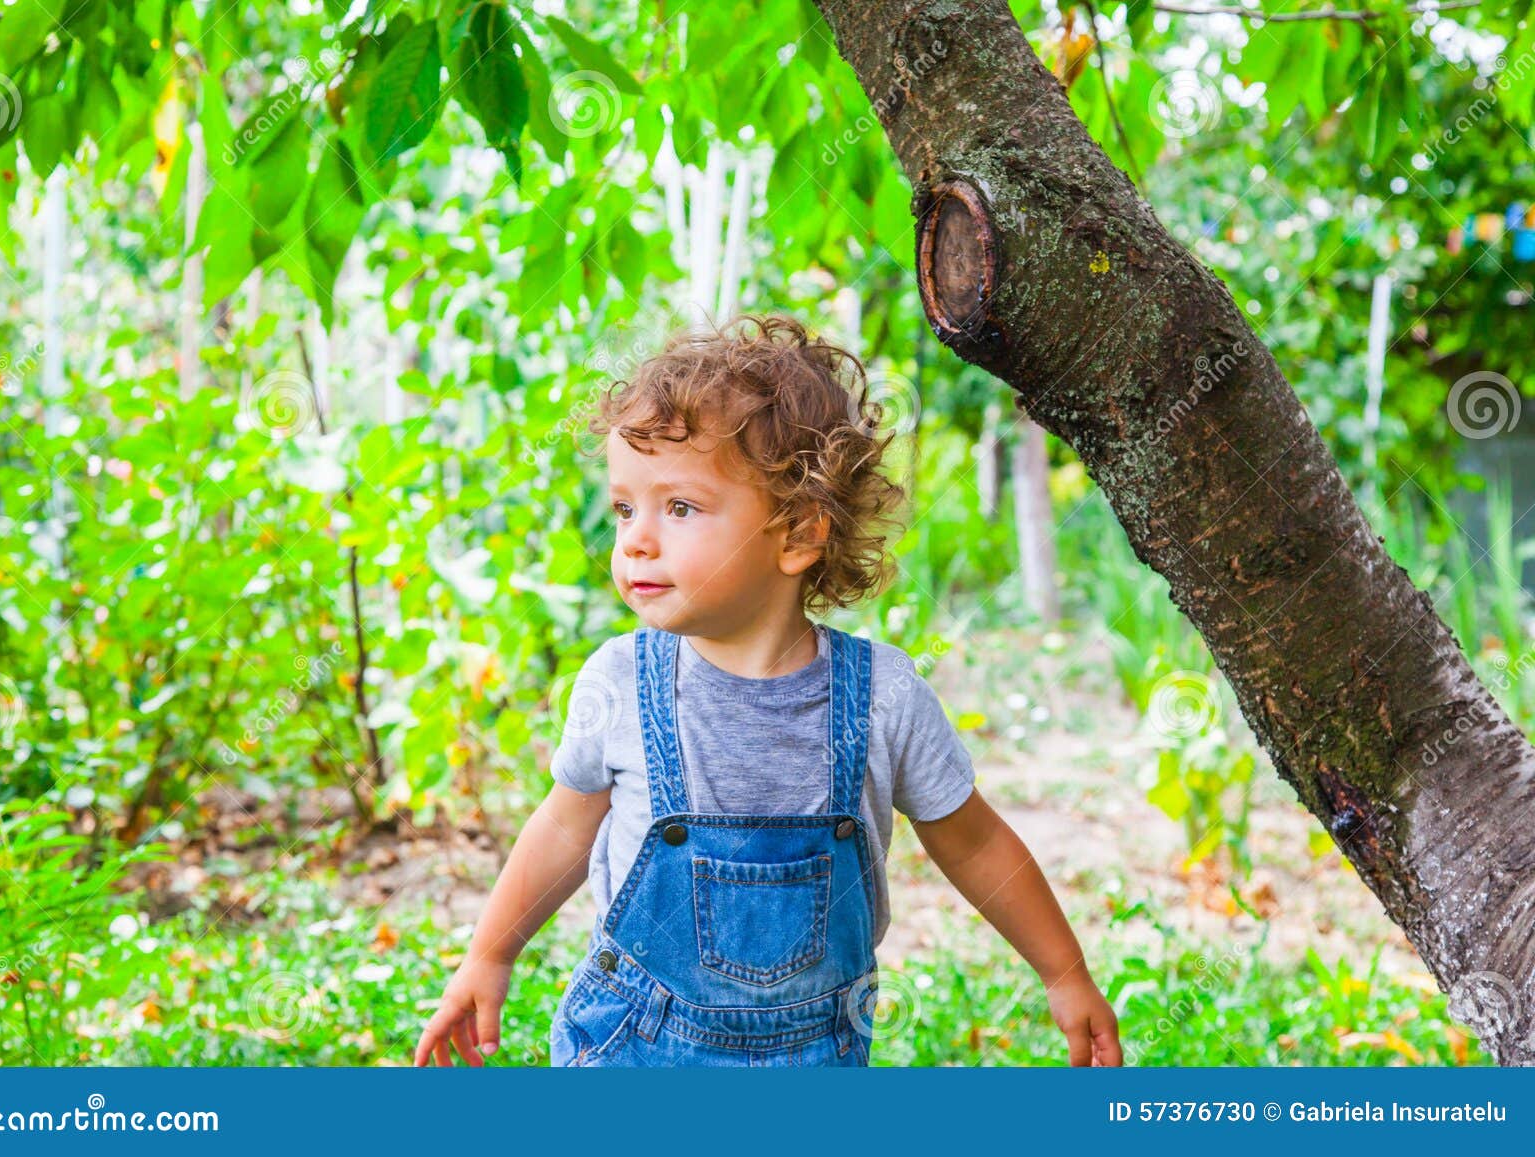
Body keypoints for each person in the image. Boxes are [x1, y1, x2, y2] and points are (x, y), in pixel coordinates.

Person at [413, 314, 1121, 1068]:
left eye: (678, 507)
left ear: (799, 535)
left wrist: (1064, 970)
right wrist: (489, 955)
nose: (636, 540)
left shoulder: (882, 698)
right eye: (626, 507)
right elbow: (562, 827)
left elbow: (974, 840)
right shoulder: (621, 682)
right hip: (630, 1056)